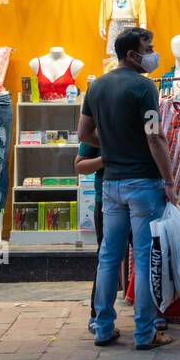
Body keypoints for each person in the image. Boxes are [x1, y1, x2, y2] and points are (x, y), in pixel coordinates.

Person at [80, 27, 179, 350]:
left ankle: (103, 327)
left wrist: (110, 148)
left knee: (109, 256)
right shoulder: (143, 87)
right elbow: (154, 136)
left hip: (111, 185)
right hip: (143, 184)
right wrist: (169, 179)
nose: (153, 52)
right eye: (148, 47)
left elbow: (84, 134)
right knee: (144, 256)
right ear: (132, 54)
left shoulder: (96, 87)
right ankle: (145, 331)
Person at [75, 141, 106, 330]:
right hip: (107, 198)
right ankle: (98, 317)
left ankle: (151, 318)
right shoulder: (98, 123)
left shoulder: (145, 116)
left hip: (141, 196)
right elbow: (80, 165)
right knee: (106, 257)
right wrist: (105, 159)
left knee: (144, 257)